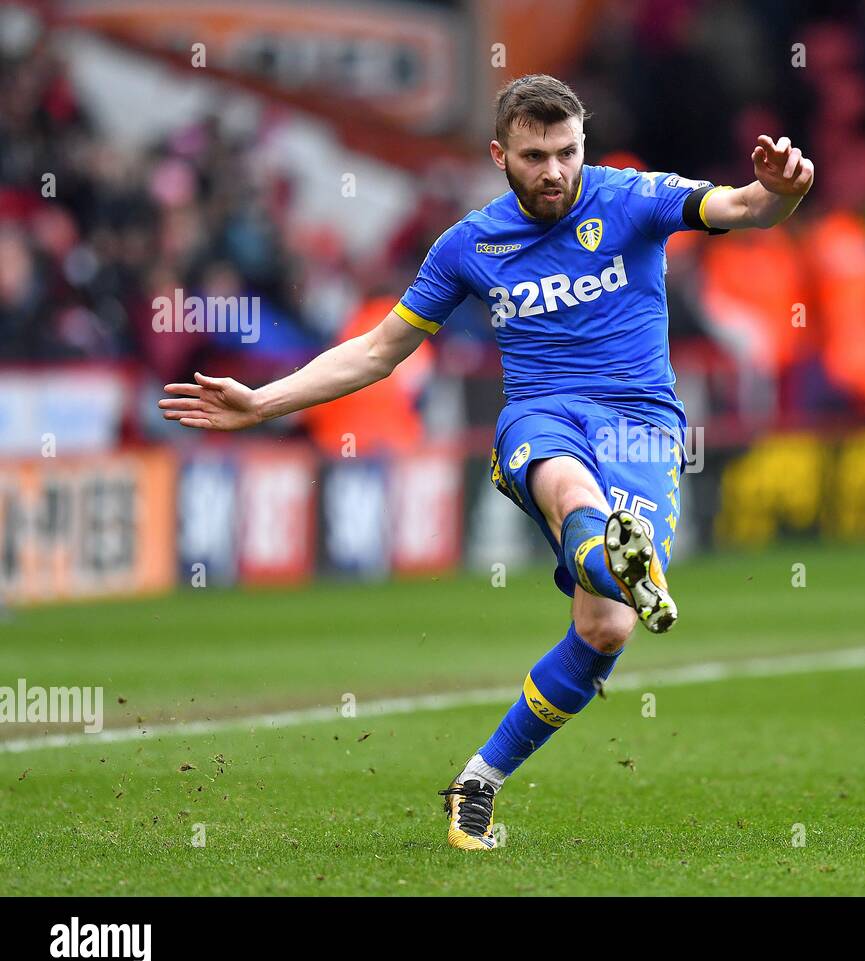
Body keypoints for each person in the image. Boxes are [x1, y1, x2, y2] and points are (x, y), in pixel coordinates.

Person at [157, 74, 814, 851]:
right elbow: (376, 352)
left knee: (605, 630)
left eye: (568, 152)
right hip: (541, 420)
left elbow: (741, 206)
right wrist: (263, 403)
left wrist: (783, 192)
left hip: (641, 429)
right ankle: (617, 554)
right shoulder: (469, 244)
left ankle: (480, 778)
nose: (555, 171)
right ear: (500, 154)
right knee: (574, 494)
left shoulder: (632, 198)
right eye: (536, 156)